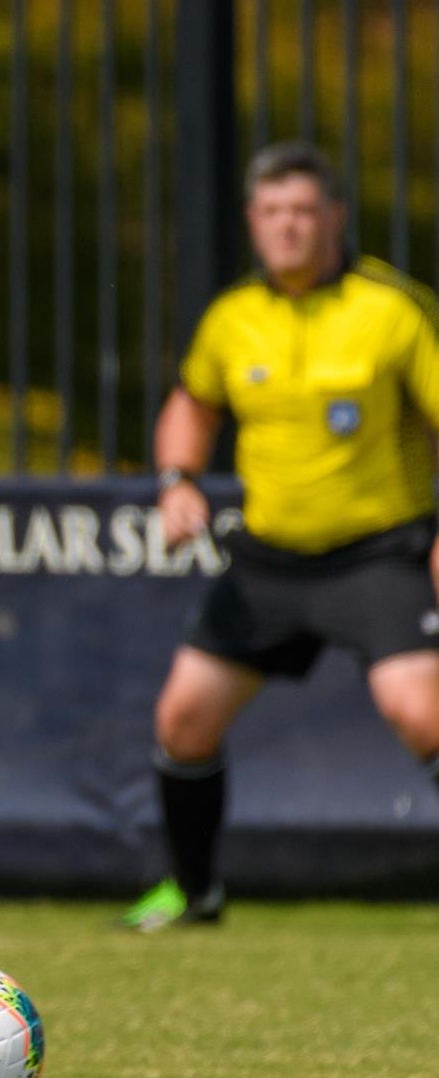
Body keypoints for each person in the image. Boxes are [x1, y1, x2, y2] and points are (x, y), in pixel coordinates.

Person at [123, 141, 439, 931]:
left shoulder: (390, 309)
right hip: (268, 561)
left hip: (377, 552)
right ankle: (194, 894)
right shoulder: (233, 317)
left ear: (333, 215)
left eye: (303, 210)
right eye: (272, 213)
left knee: (421, 711)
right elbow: (190, 404)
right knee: (182, 719)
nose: (288, 227)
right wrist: (176, 482)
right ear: (251, 221)